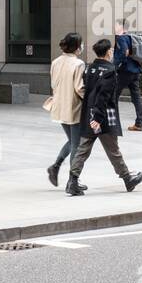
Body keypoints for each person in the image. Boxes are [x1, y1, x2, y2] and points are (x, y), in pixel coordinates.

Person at [66, 38, 142, 196]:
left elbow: (88, 92)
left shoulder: (90, 68)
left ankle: (72, 180)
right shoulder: (110, 71)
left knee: (83, 148)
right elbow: (103, 96)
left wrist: (92, 116)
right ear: (108, 52)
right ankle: (127, 178)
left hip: (89, 113)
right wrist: (98, 118)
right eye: (111, 50)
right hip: (104, 116)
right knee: (113, 149)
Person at [47, 32, 88, 191]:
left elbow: (53, 83)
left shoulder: (55, 62)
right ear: (77, 47)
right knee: (77, 144)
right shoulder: (78, 64)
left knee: (72, 141)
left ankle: (55, 167)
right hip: (74, 107)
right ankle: (73, 181)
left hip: (59, 106)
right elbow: (80, 88)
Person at [113, 20, 142, 132]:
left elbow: (125, 52)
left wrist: (115, 65)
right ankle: (139, 123)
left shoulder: (121, 38)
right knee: (136, 98)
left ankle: (114, 124)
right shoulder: (132, 37)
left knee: (113, 96)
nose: (114, 27)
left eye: (116, 25)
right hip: (135, 71)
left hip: (125, 71)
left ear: (121, 27)